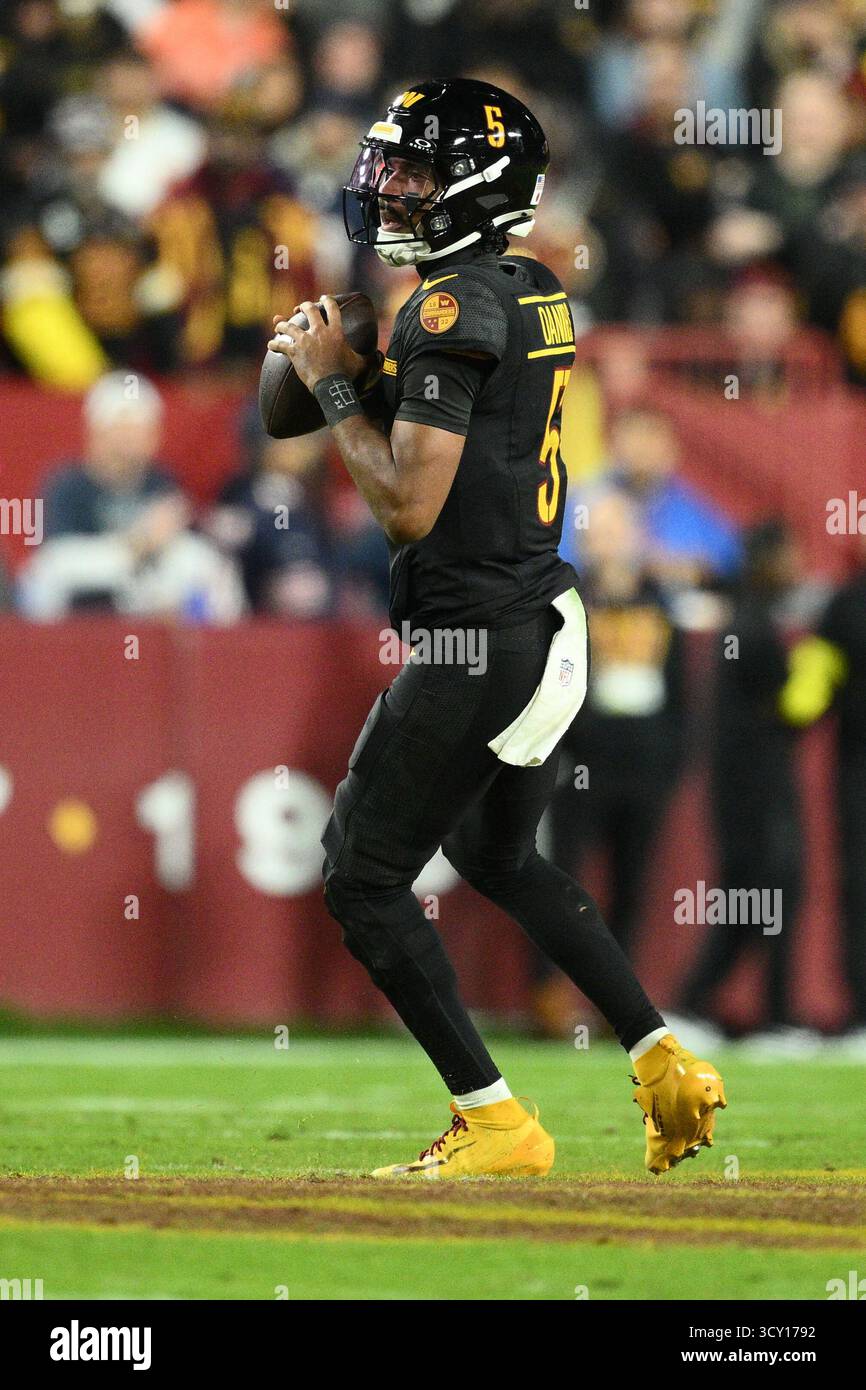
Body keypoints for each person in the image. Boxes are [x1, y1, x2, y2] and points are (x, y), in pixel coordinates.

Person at [268, 79, 725, 1178]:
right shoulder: (524, 287)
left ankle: (495, 1122)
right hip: (542, 615)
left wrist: (338, 387)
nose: (390, 187)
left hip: (480, 632)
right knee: (492, 852)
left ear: (476, 185)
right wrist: (325, 366)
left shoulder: (445, 306)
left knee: (360, 876)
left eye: (415, 172)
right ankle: (661, 1052)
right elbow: (286, 402)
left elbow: (406, 506)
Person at [675, 521, 809, 1048]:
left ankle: (694, 1005)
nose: (797, 568)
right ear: (765, 561)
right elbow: (792, 712)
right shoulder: (752, 626)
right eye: (789, 557)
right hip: (755, 792)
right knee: (771, 894)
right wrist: (816, 675)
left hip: (749, 789)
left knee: (750, 901)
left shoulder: (747, 618)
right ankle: (772, 1020)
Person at [19, 370, 244, 621]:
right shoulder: (67, 485)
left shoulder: (162, 483)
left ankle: (217, 652)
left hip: (145, 589)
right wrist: (136, 544)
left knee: (204, 563)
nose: (131, 441)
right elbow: (57, 558)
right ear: (96, 432)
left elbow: (183, 550)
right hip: (86, 591)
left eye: (140, 431)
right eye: (122, 429)